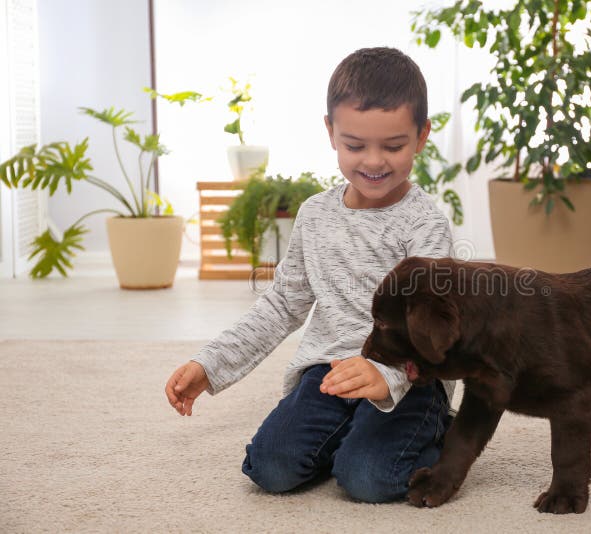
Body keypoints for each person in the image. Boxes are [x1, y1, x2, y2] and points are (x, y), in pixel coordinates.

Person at [164, 47, 455, 503]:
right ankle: (352, 436)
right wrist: (211, 363)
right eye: (355, 145)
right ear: (330, 132)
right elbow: (282, 306)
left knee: (367, 480)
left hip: (408, 377)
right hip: (329, 373)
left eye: (394, 146)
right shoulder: (315, 214)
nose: (374, 161)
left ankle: (434, 435)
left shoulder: (425, 226)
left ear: (421, 137)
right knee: (270, 468)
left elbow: (435, 327)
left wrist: (388, 375)